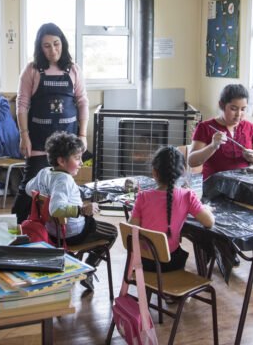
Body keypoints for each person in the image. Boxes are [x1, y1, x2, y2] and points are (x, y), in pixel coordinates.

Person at [13, 22, 89, 224]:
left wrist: (83, 135)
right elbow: (21, 104)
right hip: (38, 139)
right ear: (40, 47)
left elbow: (82, 102)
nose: (53, 50)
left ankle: (56, 229)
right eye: (46, 45)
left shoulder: (73, 70)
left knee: (62, 187)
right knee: (28, 188)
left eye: (56, 43)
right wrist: (24, 136)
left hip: (68, 140)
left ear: (62, 43)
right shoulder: (31, 70)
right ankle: (14, 228)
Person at [25, 131, 117, 291]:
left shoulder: (44, 172)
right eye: (77, 158)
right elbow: (56, 207)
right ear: (61, 161)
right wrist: (82, 210)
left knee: (94, 223)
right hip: (72, 234)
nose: (81, 162)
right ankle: (88, 269)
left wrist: (44, 197)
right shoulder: (64, 179)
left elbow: (29, 189)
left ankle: (77, 264)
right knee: (112, 232)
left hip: (52, 232)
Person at [130, 146, 214, 272]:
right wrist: (205, 208)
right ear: (183, 171)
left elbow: (132, 228)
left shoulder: (143, 196)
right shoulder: (187, 196)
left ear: (154, 172)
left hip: (143, 262)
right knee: (181, 253)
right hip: (171, 263)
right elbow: (209, 222)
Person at [189, 83, 253, 180]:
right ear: (221, 105)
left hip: (244, 183)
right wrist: (212, 146)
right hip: (215, 186)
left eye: (243, 109)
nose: (239, 114)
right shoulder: (205, 127)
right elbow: (191, 161)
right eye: (233, 109)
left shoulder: (250, 127)